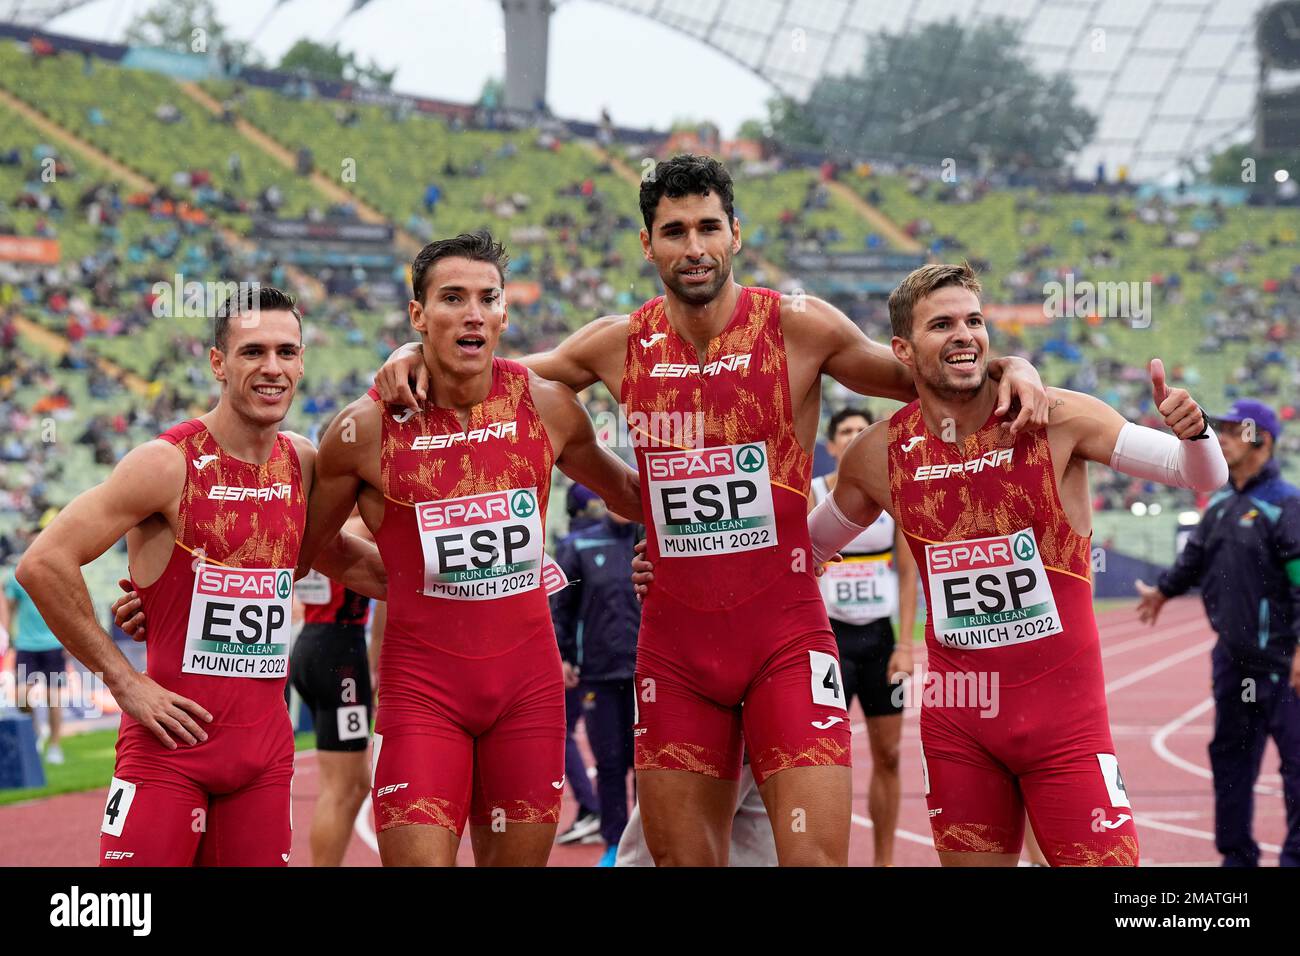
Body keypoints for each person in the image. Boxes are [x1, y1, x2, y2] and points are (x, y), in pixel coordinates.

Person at [373, 154, 1050, 866]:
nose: (693, 247)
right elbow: (483, 374)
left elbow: (931, 379)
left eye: (707, 228)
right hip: (676, 653)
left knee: (815, 861)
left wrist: (1012, 367)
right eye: (674, 232)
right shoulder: (616, 344)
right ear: (648, 244)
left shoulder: (799, 327)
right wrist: (414, 353)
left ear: (735, 234)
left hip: (787, 640)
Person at [801, 262, 1227, 866]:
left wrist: (1197, 433)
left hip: (1067, 730)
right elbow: (803, 549)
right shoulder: (877, 455)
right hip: (958, 729)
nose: (964, 335)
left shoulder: (1059, 417)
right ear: (902, 350)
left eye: (974, 321)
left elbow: (1199, 475)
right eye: (941, 324)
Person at [294, 231, 643, 867]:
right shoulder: (362, 430)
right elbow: (307, 549)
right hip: (422, 691)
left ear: (505, 313)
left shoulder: (549, 407)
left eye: (488, 298)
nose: (474, 313)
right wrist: (396, 577)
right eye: (453, 298)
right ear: (418, 314)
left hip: (528, 691)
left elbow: (631, 495)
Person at [16, 287, 385, 867]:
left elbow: (339, 557)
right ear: (218, 362)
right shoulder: (166, 464)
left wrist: (453, 581)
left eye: (286, 352)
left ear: (302, 362)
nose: (272, 367)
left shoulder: (302, 461)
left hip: (264, 756)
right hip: (169, 751)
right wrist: (123, 680)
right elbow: (42, 562)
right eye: (253, 352)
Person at [1135, 399, 1300, 867]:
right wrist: (1162, 592)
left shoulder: (1286, 505)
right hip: (1233, 664)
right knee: (1230, 765)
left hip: (1284, 667)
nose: (1221, 438)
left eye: (1231, 430)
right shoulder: (1221, 503)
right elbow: (1192, 561)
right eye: (1219, 429)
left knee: (1297, 769)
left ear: (1262, 439)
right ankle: (1237, 858)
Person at [809, 407, 918, 866]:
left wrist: (905, 645)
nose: (855, 437)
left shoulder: (893, 497)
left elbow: (909, 575)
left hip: (879, 641)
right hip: (828, 641)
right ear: (832, 445)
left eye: (863, 431)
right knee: (822, 761)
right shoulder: (813, 494)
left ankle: (884, 862)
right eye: (847, 432)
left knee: (889, 755)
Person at [550, 488, 641, 866]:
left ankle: (649, 843)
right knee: (610, 763)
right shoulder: (580, 545)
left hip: (647, 675)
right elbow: (560, 607)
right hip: (598, 674)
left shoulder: (654, 542)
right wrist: (563, 656)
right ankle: (615, 844)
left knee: (649, 766)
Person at [289, 509, 384, 867]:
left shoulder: (316, 524)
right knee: (342, 788)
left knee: (354, 784)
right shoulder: (359, 527)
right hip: (341, 654)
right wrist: (375, 663)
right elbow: (391, 589)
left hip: (313, 644)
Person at [552, 484, 603, 848]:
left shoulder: (572, 545)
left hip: (582, 661)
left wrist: (564, 655)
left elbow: (560, 609)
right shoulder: (624, 537)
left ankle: (591, 809)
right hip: (619, 657)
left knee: (564, 733)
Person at [2, 555, 69, 764]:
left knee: (53, 698)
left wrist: (70, 641)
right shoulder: (17, 577)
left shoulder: (57, 574)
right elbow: (9, 608)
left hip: (53, 644)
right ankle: (37, 731)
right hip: (26, 644)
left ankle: (55, 746)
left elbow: (68, 609)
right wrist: (8, 637)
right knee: (22, 697)